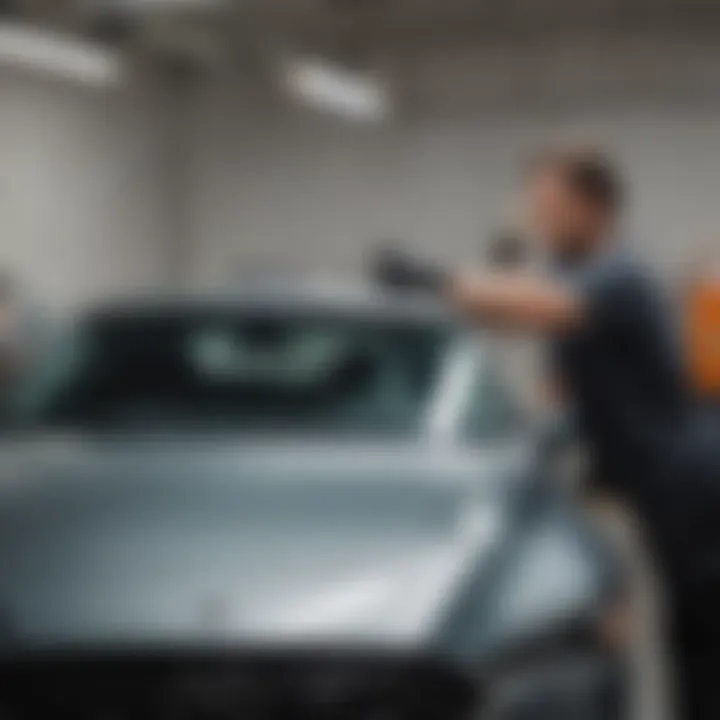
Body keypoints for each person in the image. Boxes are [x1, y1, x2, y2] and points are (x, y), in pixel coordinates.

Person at [374, 145, 720, 720]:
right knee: (691, 640)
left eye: (550, 203)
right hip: (662, 493)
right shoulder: (572, 278)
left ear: (595, 208)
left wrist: (433, 278)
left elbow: (537, 304)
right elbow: (515, 312)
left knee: (709, 641)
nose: (537, 215)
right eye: (534, 202)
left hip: (697, 489)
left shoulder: (620, 274)